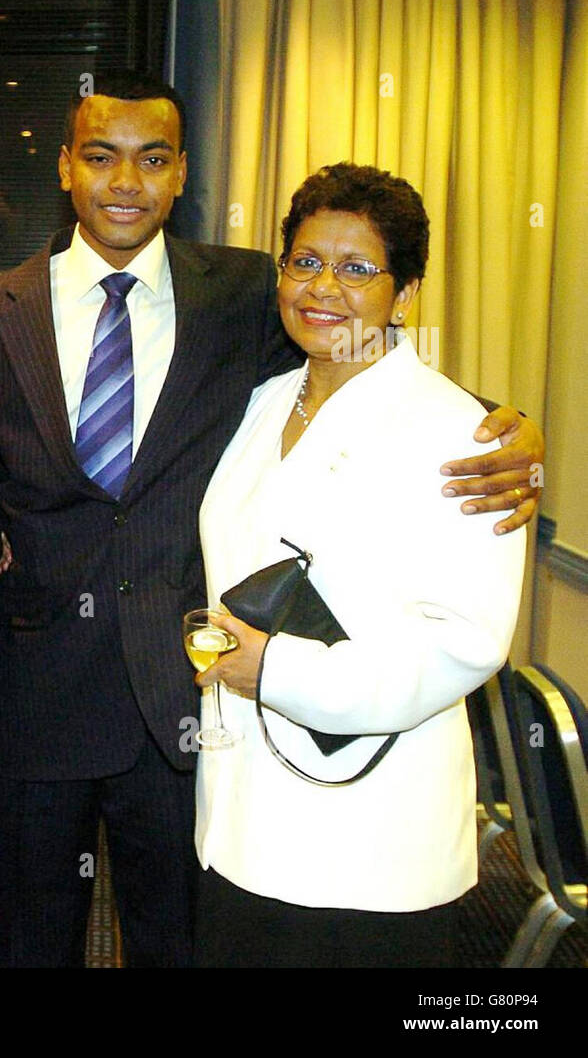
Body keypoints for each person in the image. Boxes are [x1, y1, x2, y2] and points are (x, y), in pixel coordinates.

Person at [0, 72, 544, 967]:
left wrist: (512, 429)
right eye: (100, 157)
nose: (125, 183)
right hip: (45, 690)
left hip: (187, 701)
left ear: (182, 175)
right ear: (64, 167)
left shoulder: (243, 292)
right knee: (35, 940)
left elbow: (369, 362)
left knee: (181, 943)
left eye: (152, 160)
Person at [192, 163, 525, 967]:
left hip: (372, 833)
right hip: (241, 813)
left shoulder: (462, 435)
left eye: (356, 269)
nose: (323, 288)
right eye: (305, 262)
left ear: (405, 292)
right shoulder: (262, 402)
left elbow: (464, 642)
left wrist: (273, 669)